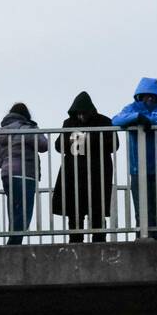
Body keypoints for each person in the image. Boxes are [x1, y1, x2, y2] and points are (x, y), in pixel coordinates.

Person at [52, 91, 117, 244]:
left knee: (97, 210)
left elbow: (114, 144)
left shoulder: (104, 122)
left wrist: (83, 138)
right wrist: (78, 139)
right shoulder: (69, 123)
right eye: (78, 114)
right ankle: (75, 242)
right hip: (74, 174)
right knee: (75, 211)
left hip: (97, 174)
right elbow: (58, 145)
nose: (81, 116)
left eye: (83, 113)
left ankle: (99, 242)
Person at [113, 78, 157, 239]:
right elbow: (116, 120)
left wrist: (147, 120)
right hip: (137, 168)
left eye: (152, 95)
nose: (149, 98)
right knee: (142, 209)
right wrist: (138, 117)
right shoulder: (131, 108)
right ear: (139, 96)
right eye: (146, 95)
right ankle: (143, 238)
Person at [0, 103, 48, 246]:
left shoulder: (2, 131)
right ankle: (14, 244)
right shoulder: (27, 128)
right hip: (25, 173)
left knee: (14, 210)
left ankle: (13, 240)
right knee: (25, 212)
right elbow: (44, 145)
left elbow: (0, 155)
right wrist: (35, 128)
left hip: (7, 173)